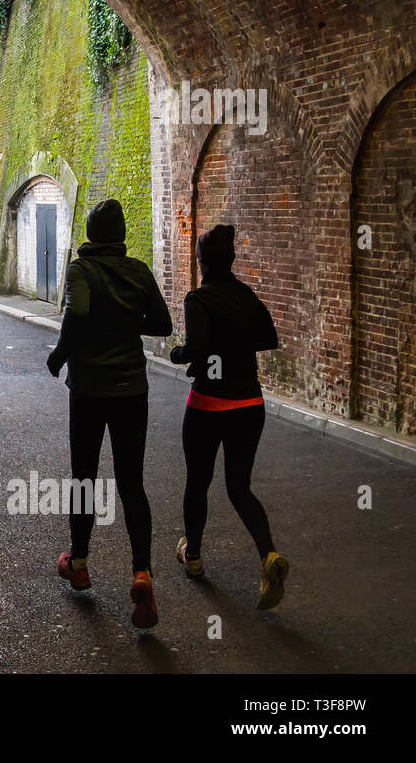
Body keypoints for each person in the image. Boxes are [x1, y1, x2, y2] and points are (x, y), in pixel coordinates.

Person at [46, 198, 172, 628]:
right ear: (119, 236)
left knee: (84, 477)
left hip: (89, 389)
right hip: (131, 389)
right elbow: (161, 324)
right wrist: (123, 319)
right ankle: (142, 573)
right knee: (131, 482)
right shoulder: (137, 271)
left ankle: (78, 562)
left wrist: (59, 355)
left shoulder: (81, 270)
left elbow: (77, 313)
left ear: (91, 234)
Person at [169, 224, 288, 609]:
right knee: (239, 487)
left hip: (209, 406)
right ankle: (269, 555)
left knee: (198, 483)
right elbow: (267, 338)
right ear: (232, 259)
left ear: (202, 262)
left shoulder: (198, 299)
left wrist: (179, 354)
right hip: (250, 406)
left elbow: (198, 348)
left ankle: (195, 557)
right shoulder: (246, 295)